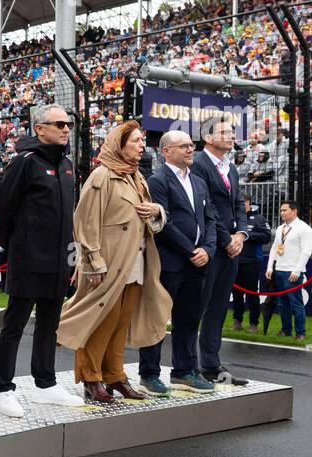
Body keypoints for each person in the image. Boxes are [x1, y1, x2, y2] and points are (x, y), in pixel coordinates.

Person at [58, 121, 172, 404]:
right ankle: (91, 378)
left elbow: (152, 220)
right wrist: (93, 263)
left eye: (142, 140)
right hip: (107, 265)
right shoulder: (101, 176)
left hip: (135, 263)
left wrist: (157, 210)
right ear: (119, 145)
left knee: (120, 323)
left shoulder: (137, 177)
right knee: (100, 321)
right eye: (135, 141)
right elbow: (85, 222)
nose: (141, 145)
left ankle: (115, 375)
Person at [0, 104, 86, 418]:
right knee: (14, 326)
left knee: (49, 326)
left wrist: (71, 257)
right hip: (28, 258)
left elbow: (69, 216)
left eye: (68, 124)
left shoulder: (68, 165)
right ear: (39, 128)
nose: (65, 129)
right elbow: (3, 210)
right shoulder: (24, 162)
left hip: (59, 261)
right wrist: (12, 248)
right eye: (58, 124)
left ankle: (45, 383)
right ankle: (4, 389)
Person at [135, 132, 217, 394]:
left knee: (189, 319)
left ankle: (184, 372)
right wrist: (191, 250)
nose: (190, 149)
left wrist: (207, 249)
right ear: (166, 151)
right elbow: (162, 222)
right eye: (184, 146)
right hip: (169, 261)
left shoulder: (198, 181)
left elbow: (210, 219)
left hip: (197, 263)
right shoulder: (158, 181)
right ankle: (149, 374)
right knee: (157, 318)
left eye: (191, 145)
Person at [192, 116, 251, 385]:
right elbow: (207, 208)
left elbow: (238, 203)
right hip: (211, 245)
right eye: (225, 132)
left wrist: (241, 234)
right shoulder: (199, 164)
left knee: (218, 308)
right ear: (208, 138)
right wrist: (227, 240)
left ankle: (211, 365)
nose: (231, 135)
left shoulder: (231, 168)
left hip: (231, 247)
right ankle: (188, 366)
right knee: (197, 306)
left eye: (232, 131)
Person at [265, 200, 312, 342]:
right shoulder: (281, 228)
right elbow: (275, 248)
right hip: (279, 270)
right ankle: (286, 330)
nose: (282, 213)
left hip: (292, 271)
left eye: (285, 210)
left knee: (296, 303)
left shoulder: (304, 229)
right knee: (282, 303)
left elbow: (306, 252)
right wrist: (270, 267)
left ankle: (300, 332)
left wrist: (297, 271)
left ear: (294, 211)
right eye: (281, 211)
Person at [232, 195, 272, 332]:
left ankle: (254, 323)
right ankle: (237, 320)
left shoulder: (259, 218)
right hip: (234, 260)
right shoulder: (234, 217)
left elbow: (267, 237)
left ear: (249, 203)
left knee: (252, 293)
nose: (242, 205)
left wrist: (247, 235)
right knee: (236, 293)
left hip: (252, 262)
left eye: (244, 202)